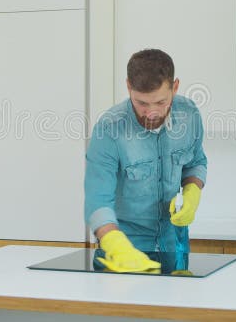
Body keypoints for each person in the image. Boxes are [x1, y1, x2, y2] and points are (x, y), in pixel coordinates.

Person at [85, 49, 207, 273]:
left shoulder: (189, 115)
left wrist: (192, 192)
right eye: (141, 103)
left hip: (174, 250)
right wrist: (115, 244)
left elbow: (195, 161)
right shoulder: (109, 128)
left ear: (175, 87)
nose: (151, 112)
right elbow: (97, 199)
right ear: (128, 87)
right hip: (125, 257)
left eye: (161, 102)